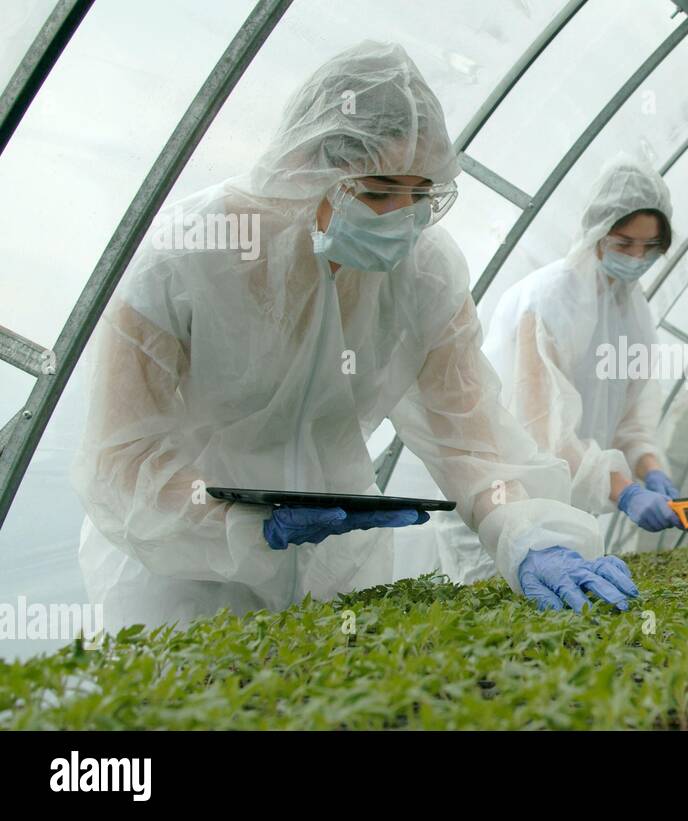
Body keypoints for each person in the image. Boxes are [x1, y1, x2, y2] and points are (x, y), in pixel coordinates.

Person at [71, 42, 637, 628]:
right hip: (180, 570)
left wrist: (529, 534)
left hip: (332, 559)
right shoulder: (191, 255)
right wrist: (239, 522)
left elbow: (472, 441)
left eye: (420, 195)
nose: (401, 218)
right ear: (306, 169)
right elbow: (122, 460)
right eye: (377, 193)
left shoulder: (426, 273)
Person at [419, 156, 687, 585]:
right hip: (504, 505)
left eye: (649, 247)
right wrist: (626, 491)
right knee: (496, 631)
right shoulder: (548, 301)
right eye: (624, 243)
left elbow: (632, 422)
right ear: (598, 231)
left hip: (566, 510)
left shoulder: (632, 311)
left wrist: (650, 468)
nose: (637, 258)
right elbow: (545, 434)